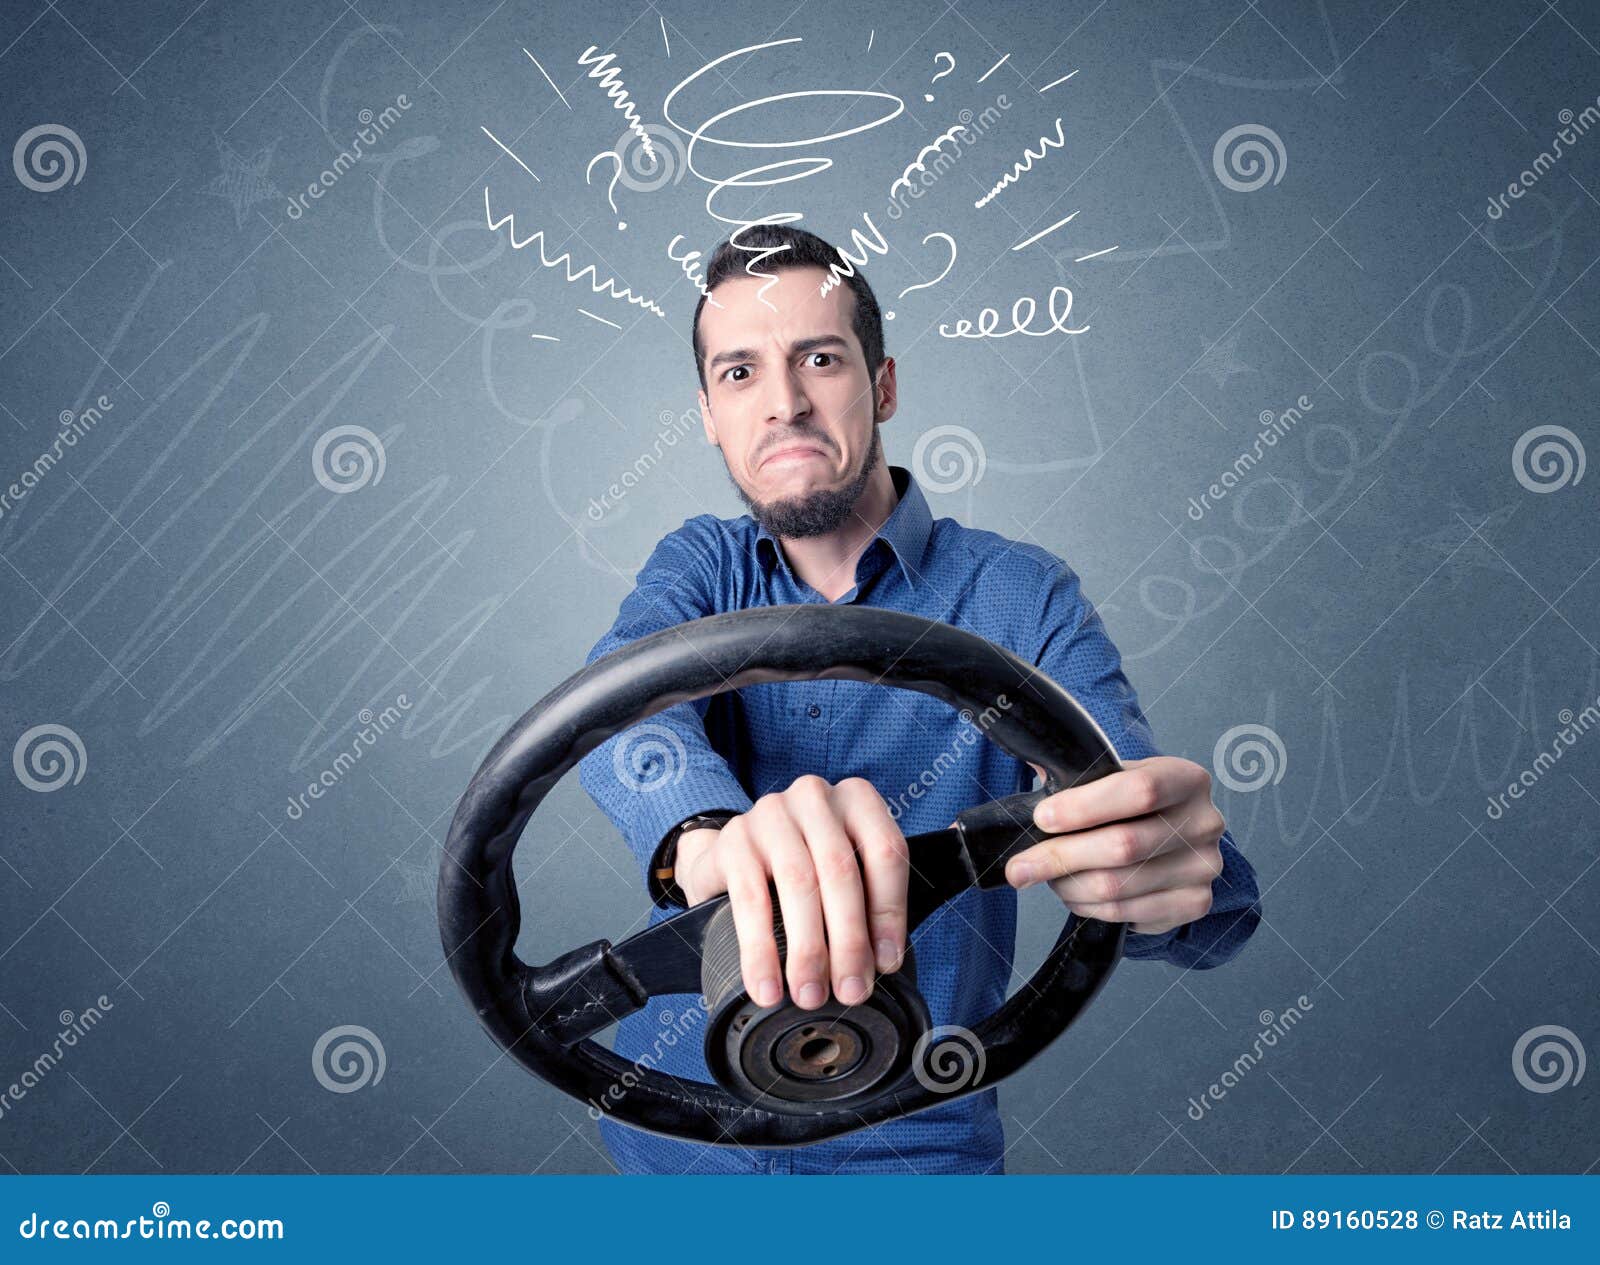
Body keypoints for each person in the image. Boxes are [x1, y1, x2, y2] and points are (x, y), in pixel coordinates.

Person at [576, 223, 1262, 1175]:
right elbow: (620, 695)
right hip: (676, 1148)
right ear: (709, 415)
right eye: (740, 373)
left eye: (820, 359)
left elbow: (1166, 847)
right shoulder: (697, 566)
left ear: (884, 385)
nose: (783, 403)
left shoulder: (1021, 597)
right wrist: (705, 836)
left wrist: (1156, 861)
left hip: (917, 1156)